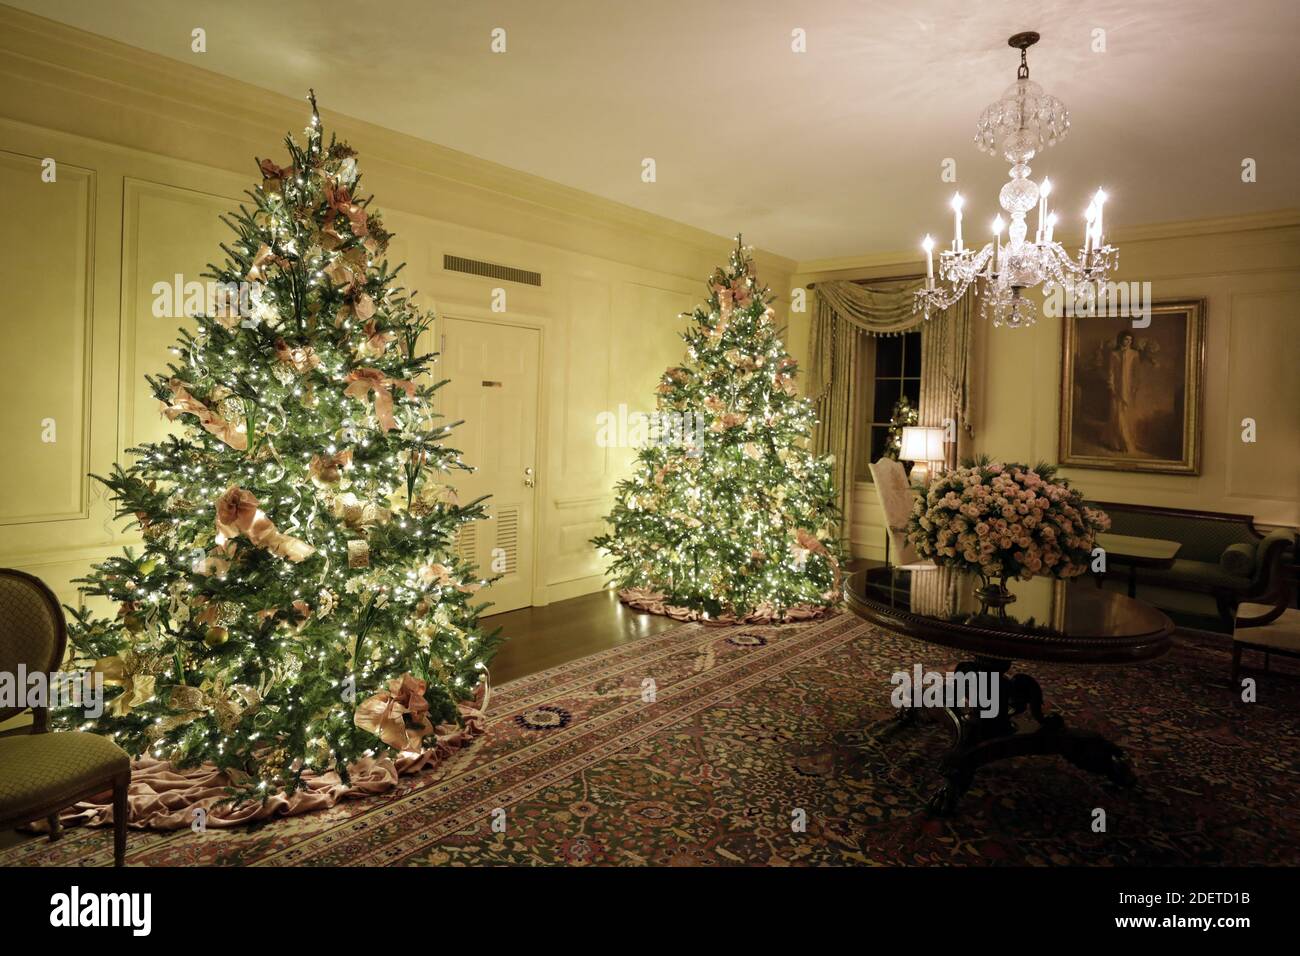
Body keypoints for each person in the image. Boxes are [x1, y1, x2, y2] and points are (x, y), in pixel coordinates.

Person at [1103, 331, 1140, 453]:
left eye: (1130, 340)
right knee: (1117, 414)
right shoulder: (1114, 354)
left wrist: (1134, 387)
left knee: (1126, 414)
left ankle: (1127, 442)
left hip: (1129, 388)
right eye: (1126, 340)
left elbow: (1136, 373)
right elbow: (1111, 372)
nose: (1128, 342)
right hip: (1117, 388)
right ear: (1121, 340)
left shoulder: (1135, 354)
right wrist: (1111, 386)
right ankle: (1118, 443)